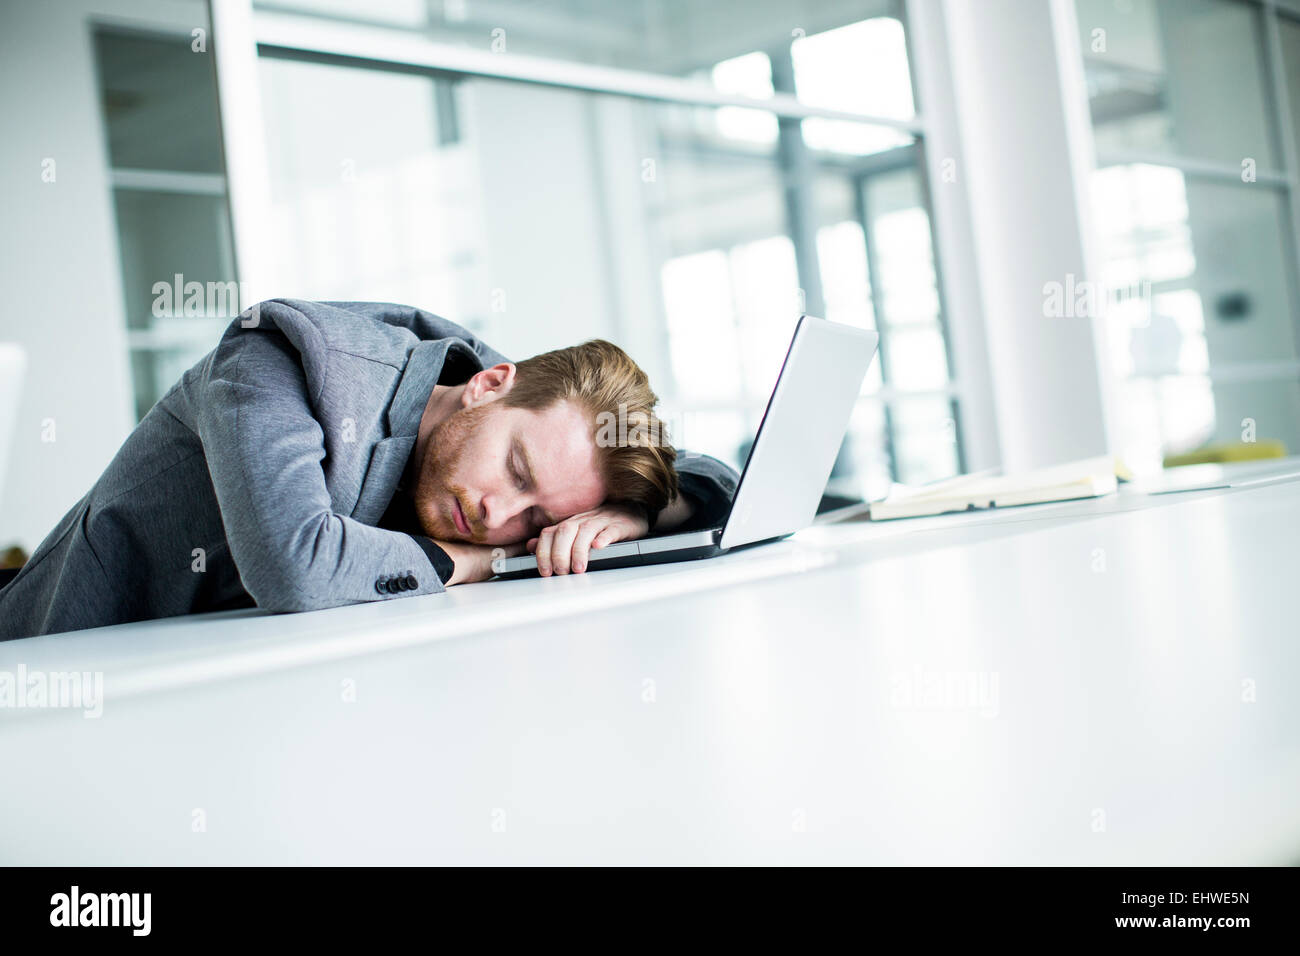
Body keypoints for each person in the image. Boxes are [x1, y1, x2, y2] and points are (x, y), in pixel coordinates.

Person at [0, 299, 738, 640]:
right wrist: (483, 562)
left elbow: (719, 482)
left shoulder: (526, 413)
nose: (499, 517)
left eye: (539, 518)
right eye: (516, 473)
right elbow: (296, 566)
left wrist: (627, 515)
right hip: (55, 664)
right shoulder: (280, 356)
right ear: (489, 382)